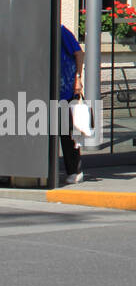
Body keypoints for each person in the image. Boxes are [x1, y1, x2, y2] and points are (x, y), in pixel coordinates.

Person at [57, 24, 85, 185]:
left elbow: (79, 53)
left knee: (66, 132)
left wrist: (78, 77)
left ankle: (75, 170)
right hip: (48, 90)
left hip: (65, 89)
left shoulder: (60, 30)